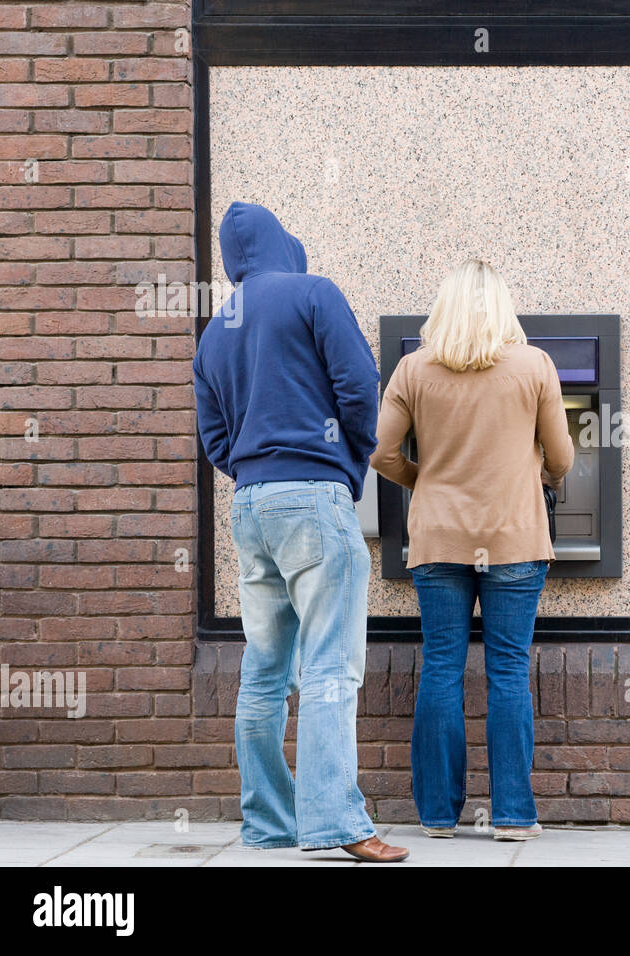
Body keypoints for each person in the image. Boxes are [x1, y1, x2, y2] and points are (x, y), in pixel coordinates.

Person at [193, 201, 408, 863]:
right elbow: (359, 385)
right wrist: (346, 462)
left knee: (262, 668)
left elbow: (215, 440)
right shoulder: (314, 293)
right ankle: (337, 824)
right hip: (312, 498)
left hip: (250, 506)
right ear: (285, 243)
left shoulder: (213, 330)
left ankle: (266, 822)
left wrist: (256, 470)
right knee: (329, 666)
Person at [370, 259, 574, 841]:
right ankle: (512, 815)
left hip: (439, 538)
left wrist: (426, 480)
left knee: (441, 666)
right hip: (513, 538)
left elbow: (380, 452)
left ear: (446, 307)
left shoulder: (413, 369)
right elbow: (560, 458)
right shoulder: (534, 365)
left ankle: (437, 816)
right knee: (508, 670)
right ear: (503, 307)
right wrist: (536, 473)